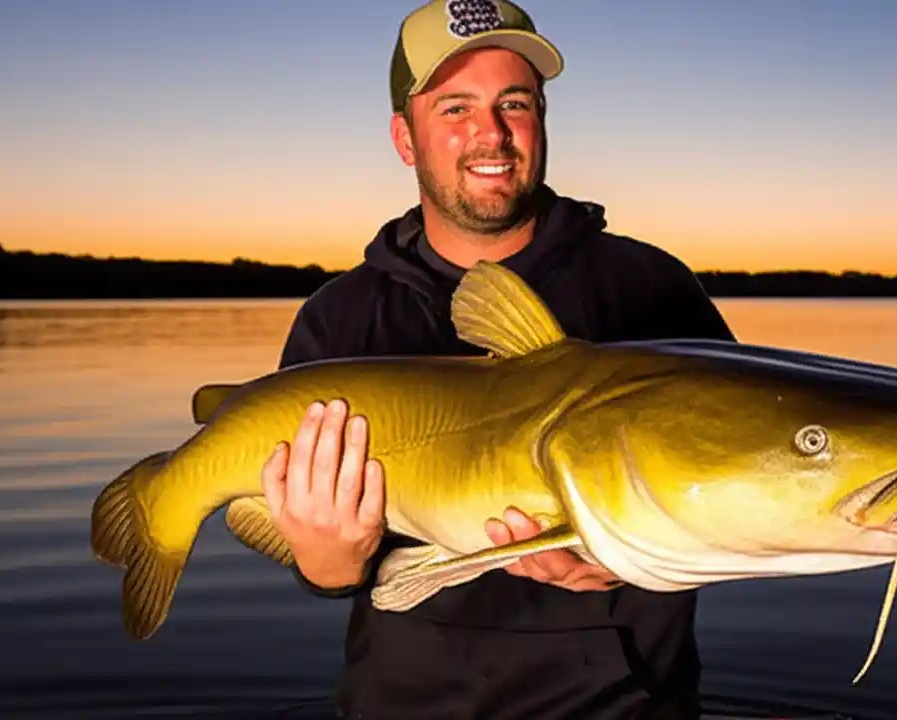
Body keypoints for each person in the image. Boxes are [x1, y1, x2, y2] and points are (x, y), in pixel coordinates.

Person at [261, 1, 736, 717]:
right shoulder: (339, 322)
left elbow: (741, 501)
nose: (492, 133)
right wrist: (330, 563)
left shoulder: (653, 291)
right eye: (455, 108)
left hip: (621, 706)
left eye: (515, 103)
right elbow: (322, 565)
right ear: (404, 137)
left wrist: (632, 559)